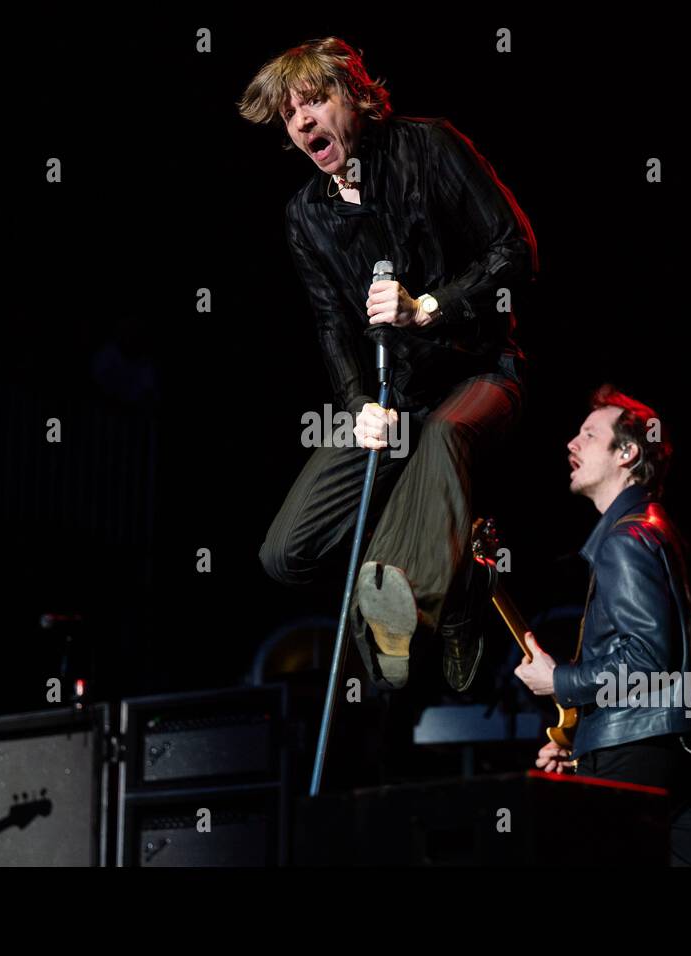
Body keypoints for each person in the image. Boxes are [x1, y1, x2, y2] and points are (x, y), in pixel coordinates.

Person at [240, 37, 537, 692]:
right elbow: (329, 323)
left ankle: (416, 597)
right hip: (393, 396)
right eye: (293, 114)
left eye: (316, 100)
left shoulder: (429, 147)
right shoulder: (305, 217)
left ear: (358, 96)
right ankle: (461, 580)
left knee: (443, 435)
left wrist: (429, 306)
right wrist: (357, 407)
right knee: (284, 553)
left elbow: (515, 249)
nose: (305, 121)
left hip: (482, 371)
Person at [514, 386, 691, 866]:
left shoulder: (625, 539)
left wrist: (558, 681)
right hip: (672, 745)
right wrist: (582, 742)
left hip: (633, 751)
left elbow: (645, 659)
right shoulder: (655, 527)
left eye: (589, 435)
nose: (572, 443)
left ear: (626, 453)